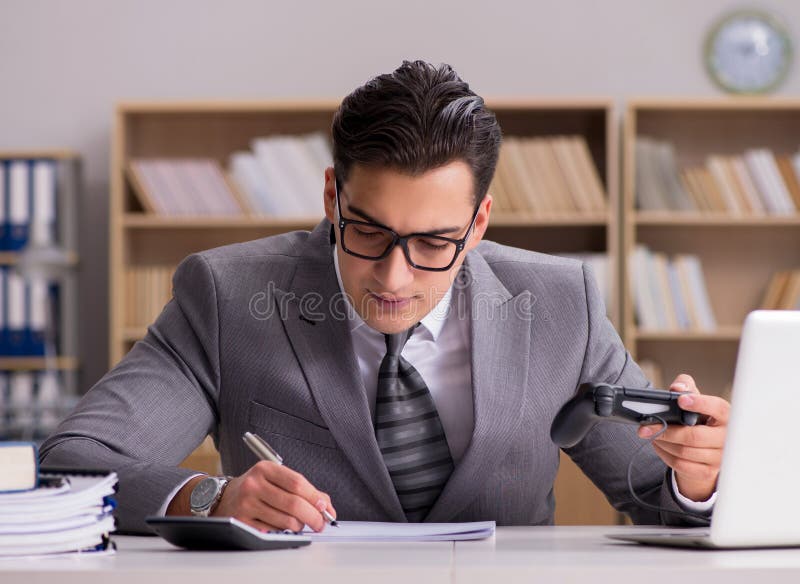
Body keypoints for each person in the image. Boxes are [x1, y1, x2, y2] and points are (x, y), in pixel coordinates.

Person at [40, 60, 729, 535]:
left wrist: (697, 478)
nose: (394, 279)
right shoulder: (226, 295)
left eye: (434, 243)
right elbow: (76, 461)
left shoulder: (557, 305)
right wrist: (210, 497)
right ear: (332, 197)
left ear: (479, 223)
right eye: (368, 232)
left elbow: (655, 495)